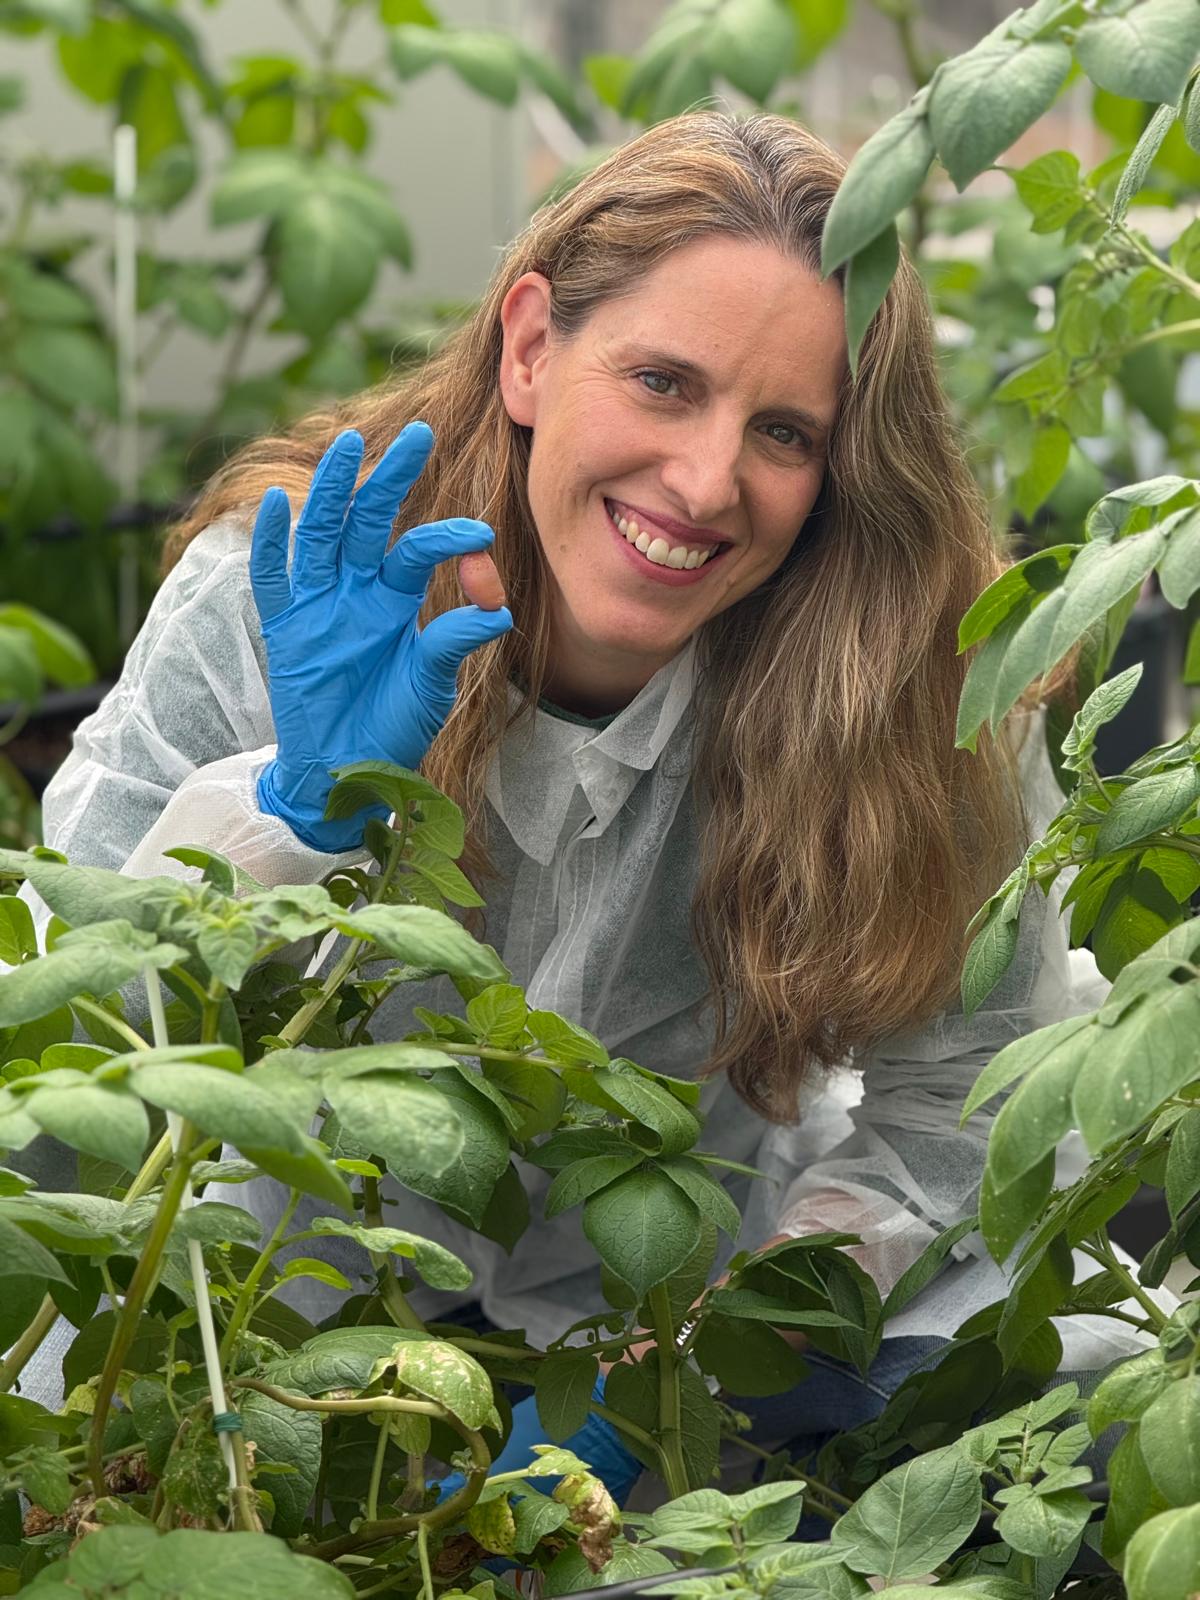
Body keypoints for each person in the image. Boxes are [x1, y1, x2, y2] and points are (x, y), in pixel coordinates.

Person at [12, 111, 1154, 1498]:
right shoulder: (301, 595)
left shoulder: (903, 673)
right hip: (266, 1289)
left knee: (1062, 1348)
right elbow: (70, 1057)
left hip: (674, 1282)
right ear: (533, 344)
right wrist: (290, 815)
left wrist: (674, 1372)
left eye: (785, 431)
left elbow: (975, 1094)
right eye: (664, 381)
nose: (706, 479)